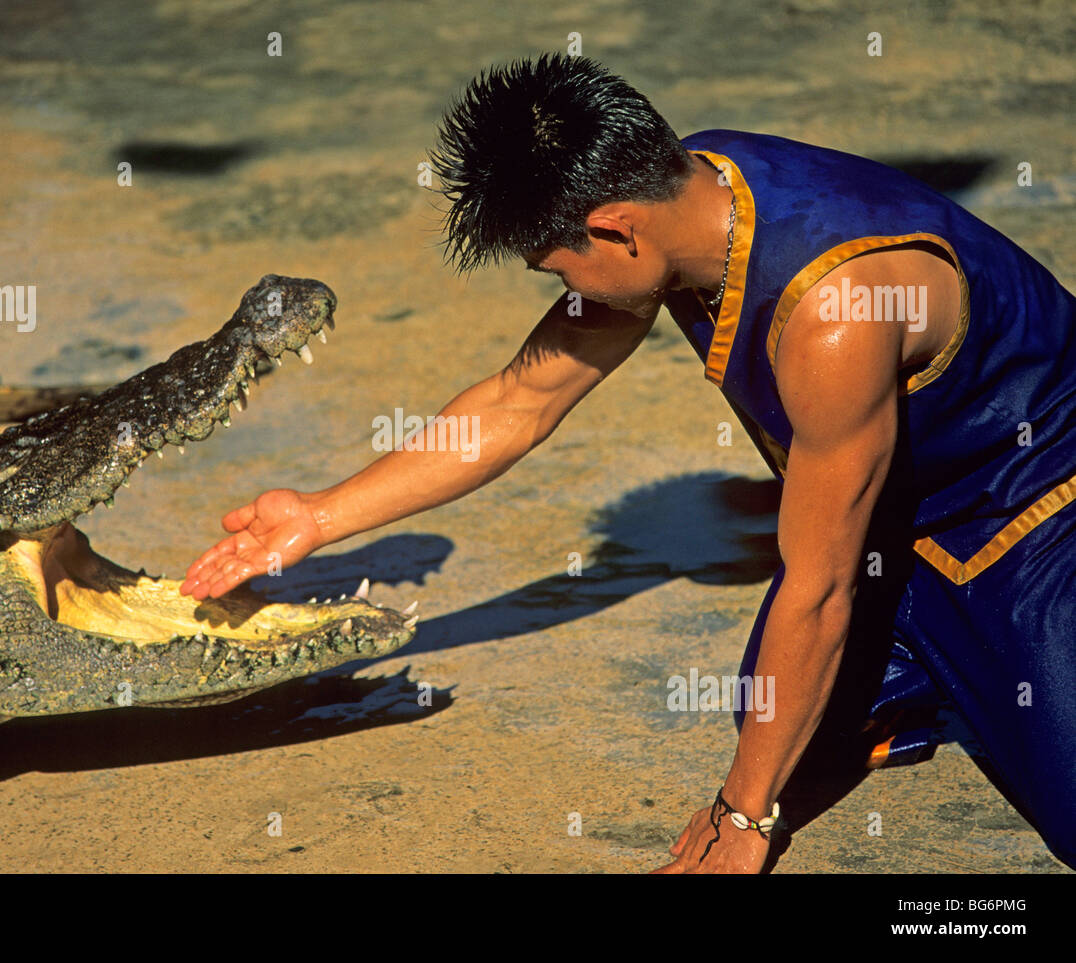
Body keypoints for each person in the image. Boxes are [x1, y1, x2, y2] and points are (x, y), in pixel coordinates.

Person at [181, 53, 1076, 873]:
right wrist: (322, 515)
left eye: (555, 268)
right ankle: (953, 673)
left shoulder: (834, 313)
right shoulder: (687, 194)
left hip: (1038, 501)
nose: (563, 293)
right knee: (776, 717)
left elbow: (820, 587)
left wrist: (743, 817)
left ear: (615, 231)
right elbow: (517, 401)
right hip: (897, 509)